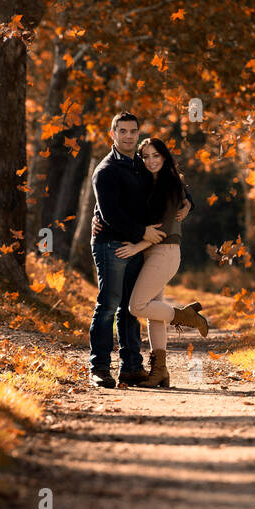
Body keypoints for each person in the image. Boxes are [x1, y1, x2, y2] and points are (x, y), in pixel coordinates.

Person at [86, 113, 203, 388]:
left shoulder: (141, 163)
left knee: (130, 309)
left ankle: (131, 367)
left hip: (138, 248)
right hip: (112, 245)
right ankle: (100, 367)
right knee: (108, 304)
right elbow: (110, 212)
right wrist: (141, 233)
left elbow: (171, 183)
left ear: (137, 133)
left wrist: (189, 203)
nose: (128, 136)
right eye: (123, 131)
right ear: (112, 133)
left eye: (133, 131)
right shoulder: (106, 170)